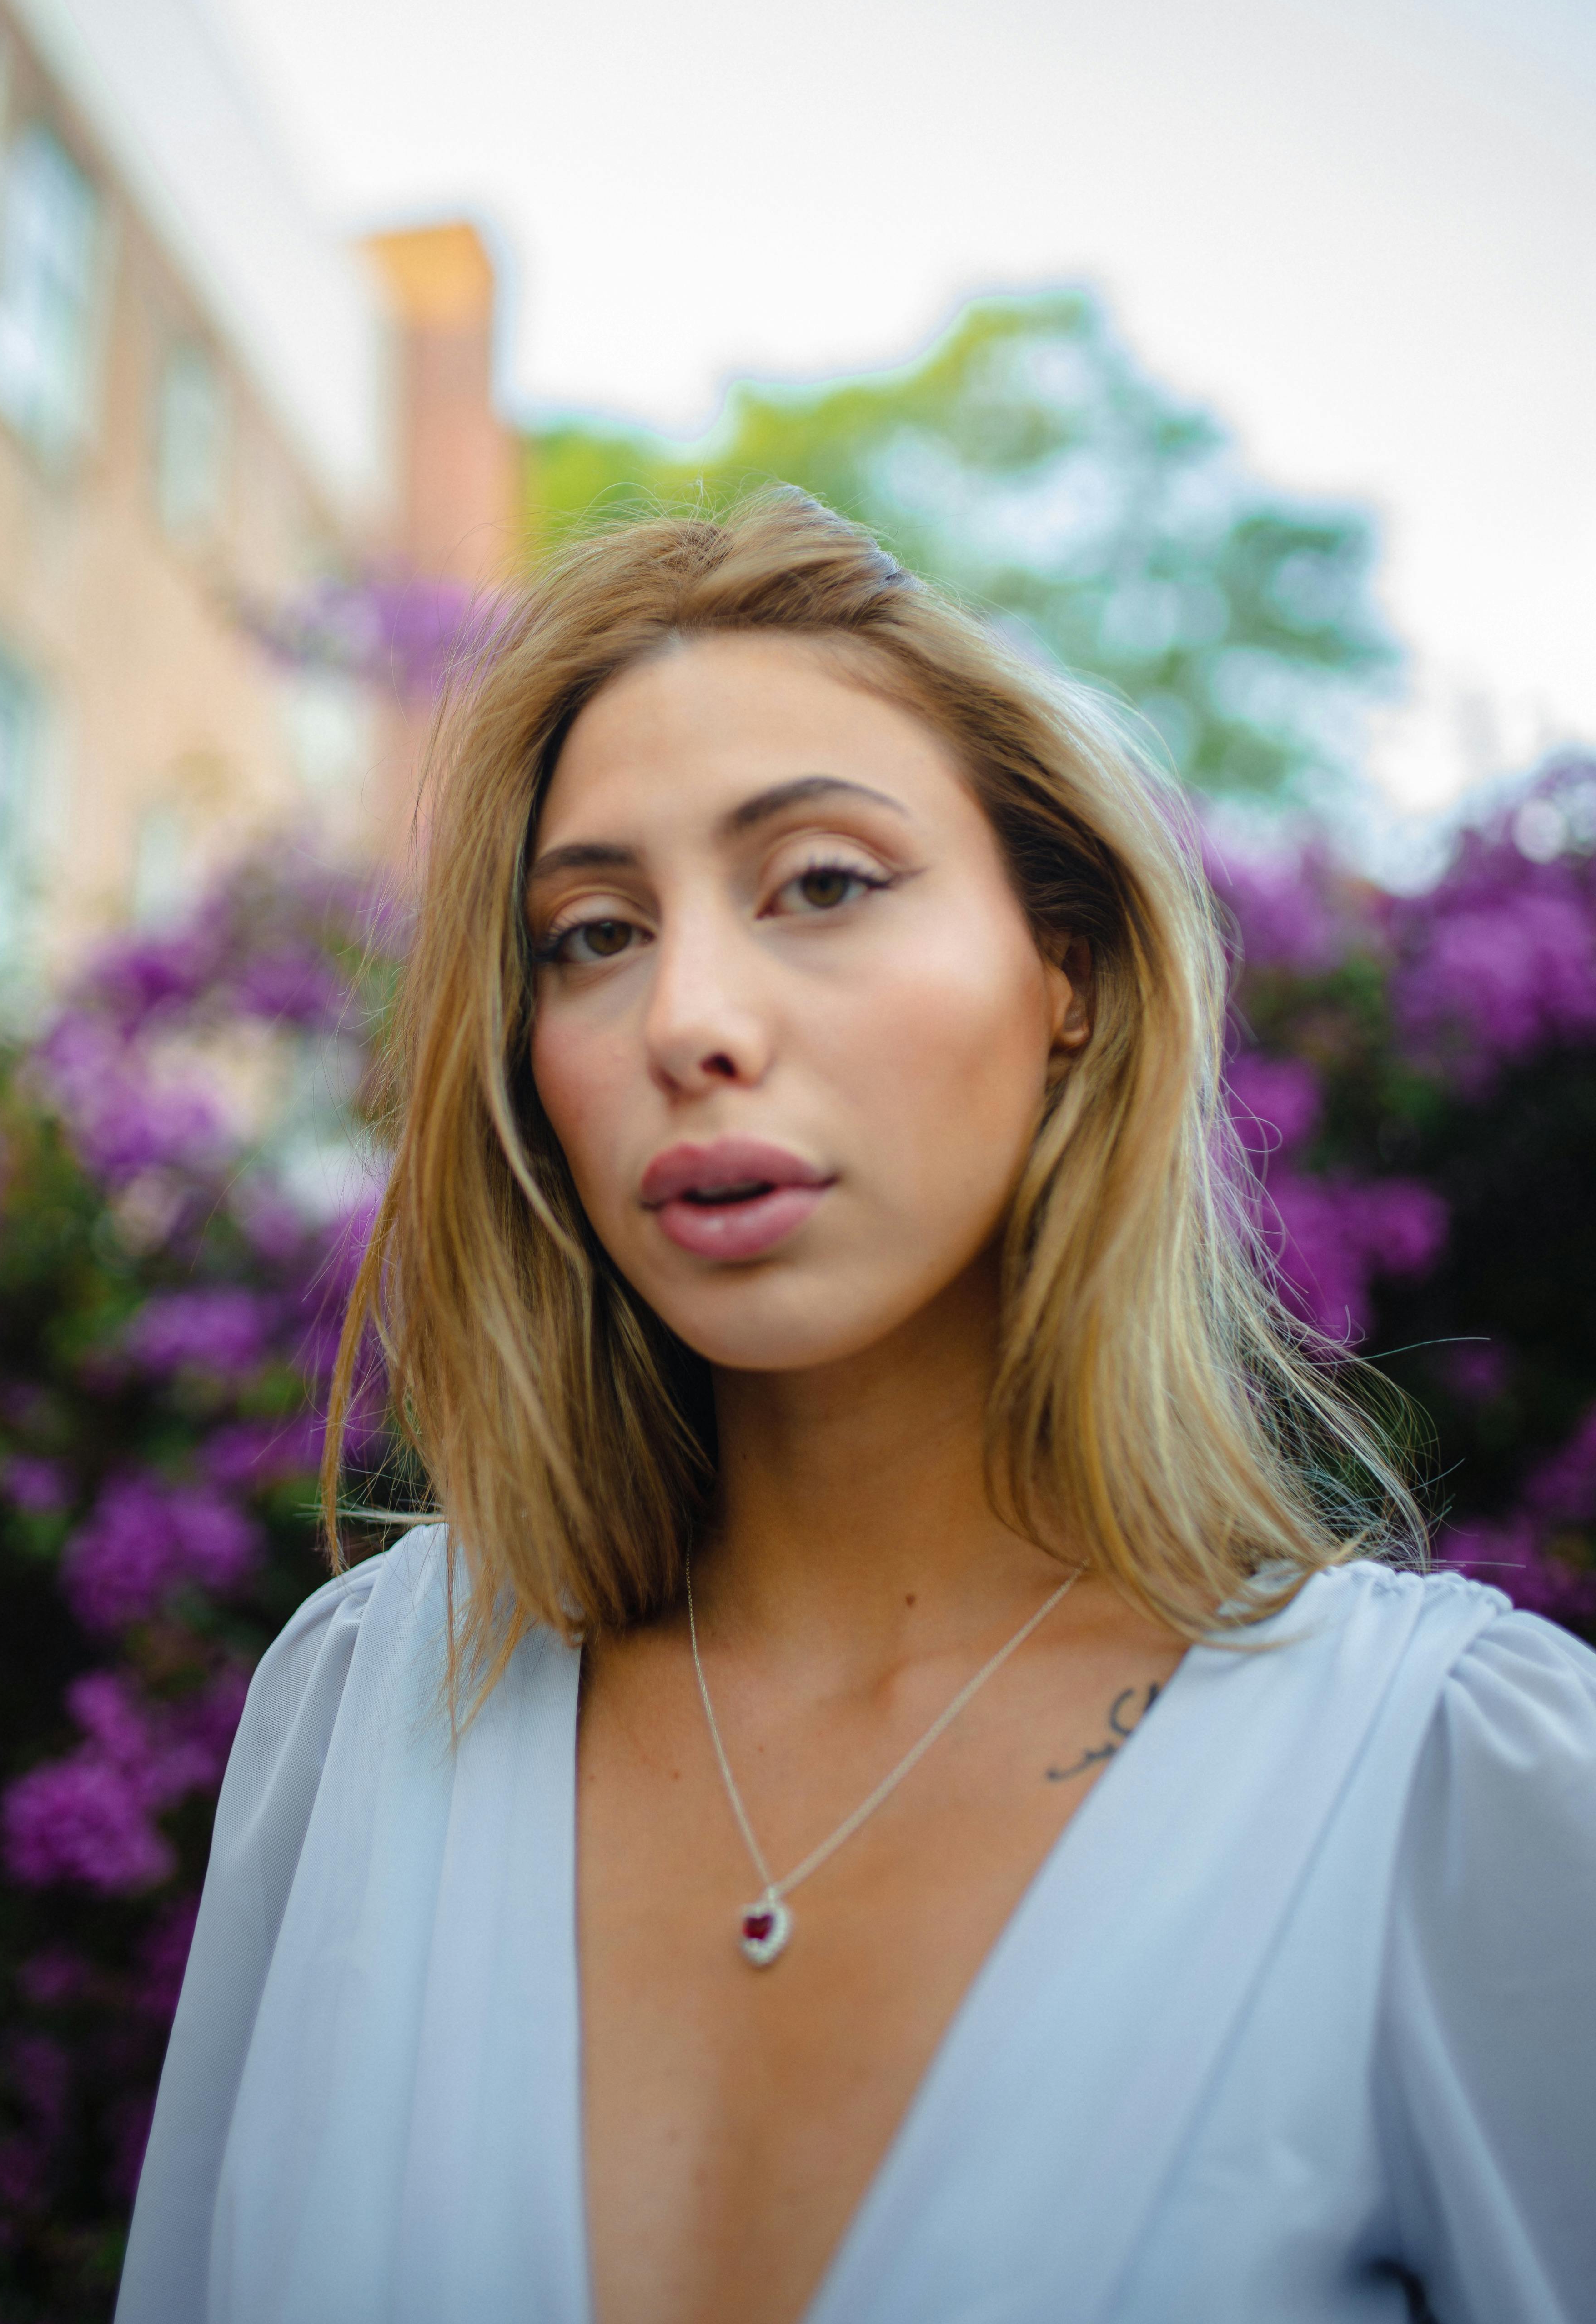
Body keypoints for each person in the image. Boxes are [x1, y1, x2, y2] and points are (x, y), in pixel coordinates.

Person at [117, 491, 1596, 2324]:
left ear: (1068, 971)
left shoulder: (1456, 1787)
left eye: (821, 882)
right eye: (590, 933)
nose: (689, 1018)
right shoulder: (362, 1704)